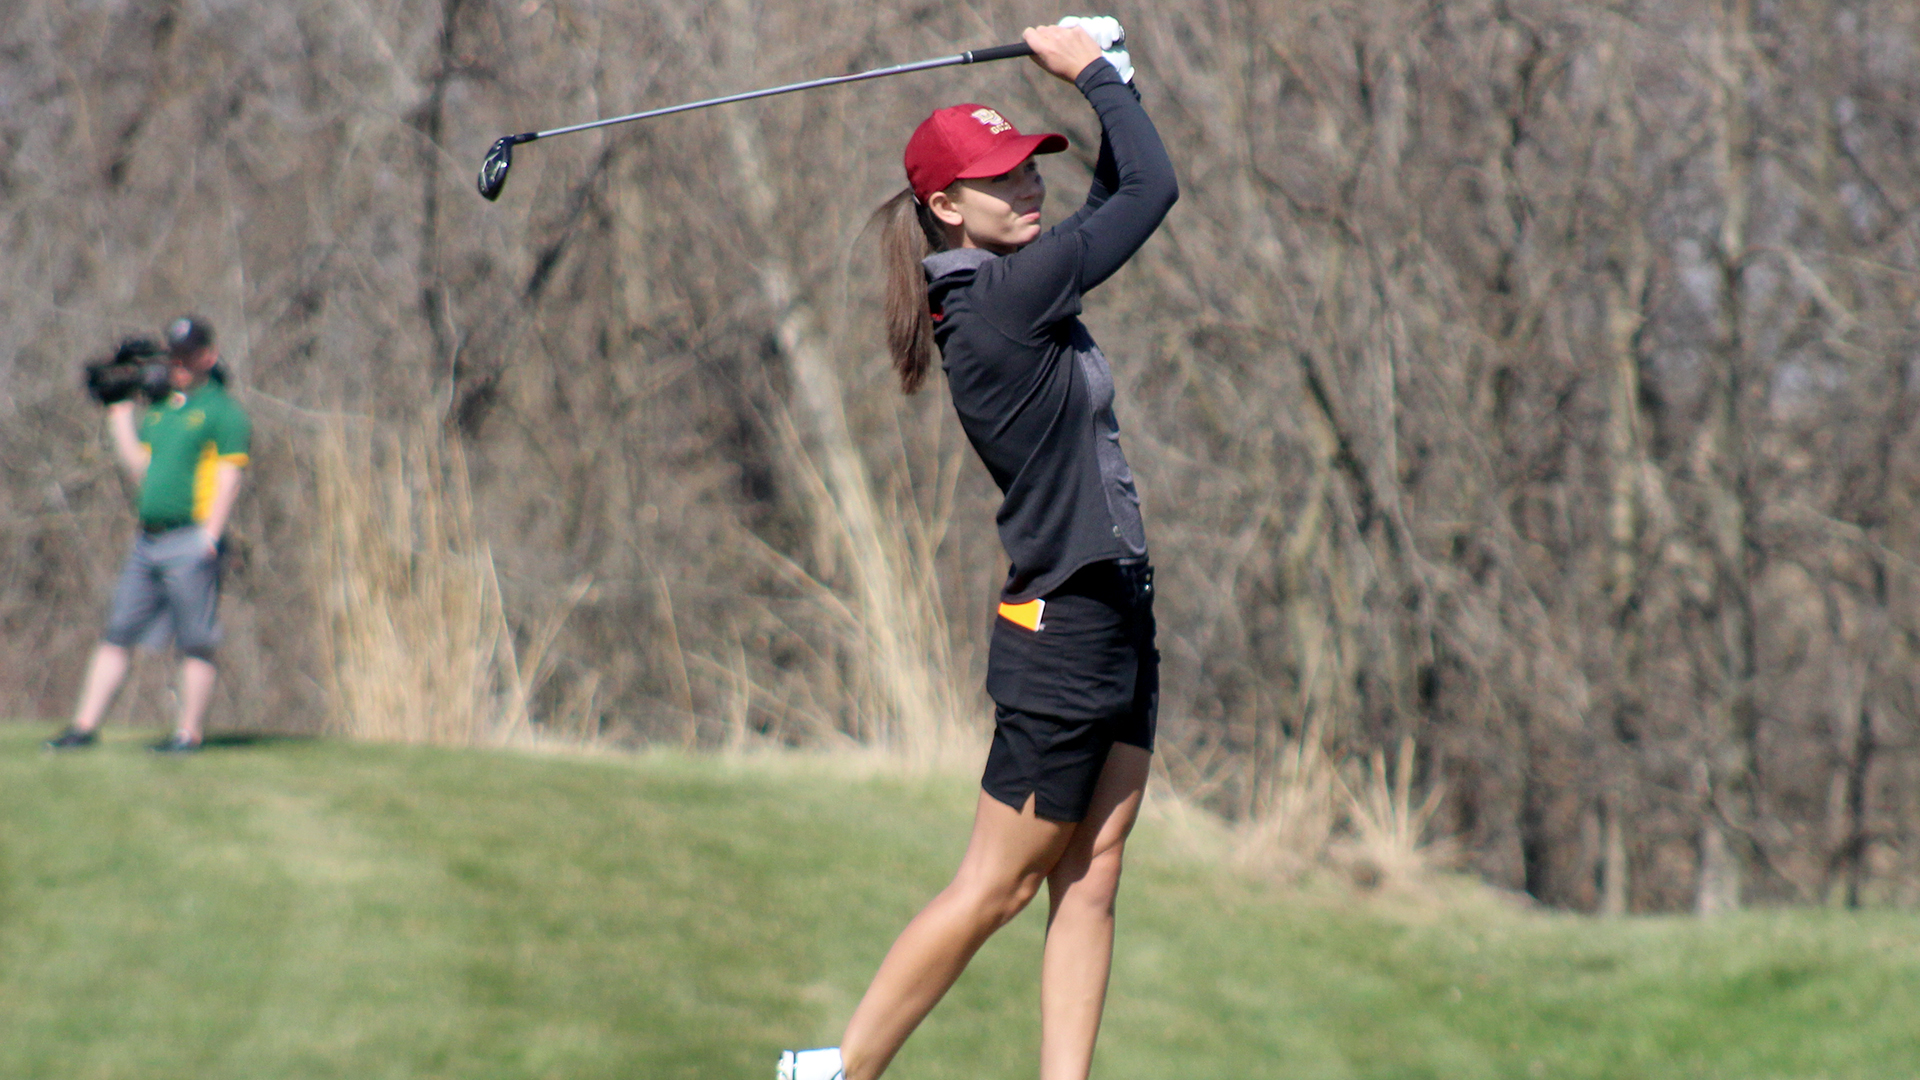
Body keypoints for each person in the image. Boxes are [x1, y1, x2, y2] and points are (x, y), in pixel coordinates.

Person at [778, 18, 1175, 1080]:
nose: (1029, 186)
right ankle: (841, 1070)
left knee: (1093, 875)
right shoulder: (1000, 299)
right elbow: (1150, 192)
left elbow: (1120, 189)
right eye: (1003, 178)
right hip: (1064, 630)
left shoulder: (1020, 280)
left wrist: (1118, 84)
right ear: (949, 206)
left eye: (1031, 165)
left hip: (1116, 610)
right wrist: (1093, 74)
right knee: (997, 887)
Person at [47, 316, 252, 754]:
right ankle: (83, 728)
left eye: (186, 356)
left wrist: (211, 536)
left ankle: (187, 735)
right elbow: (142, 468)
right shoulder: (163, 409)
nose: (177, 363)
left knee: (195, 642)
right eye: (173, 355)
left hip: (191, 538)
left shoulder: (222, 411)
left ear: (207, 357)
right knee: (117, 632)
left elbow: (230, 475)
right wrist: (119, 413)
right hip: (148, 540)